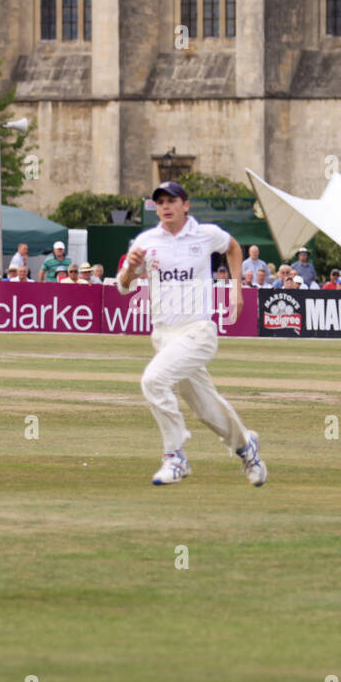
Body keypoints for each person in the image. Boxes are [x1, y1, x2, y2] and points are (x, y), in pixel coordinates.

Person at [117, 180, 267, 487]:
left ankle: (175, 456)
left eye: (171, 201)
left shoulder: (205, 233)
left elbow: (233, 247)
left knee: (153, 380)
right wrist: (130, 270)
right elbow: (123, 287)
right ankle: (246, 447)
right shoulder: (146, 241)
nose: (165, 207)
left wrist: (236, 289)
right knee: (207, 409)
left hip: (198, 330)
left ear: (185, 205)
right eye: (160, 202)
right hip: (164, 335)